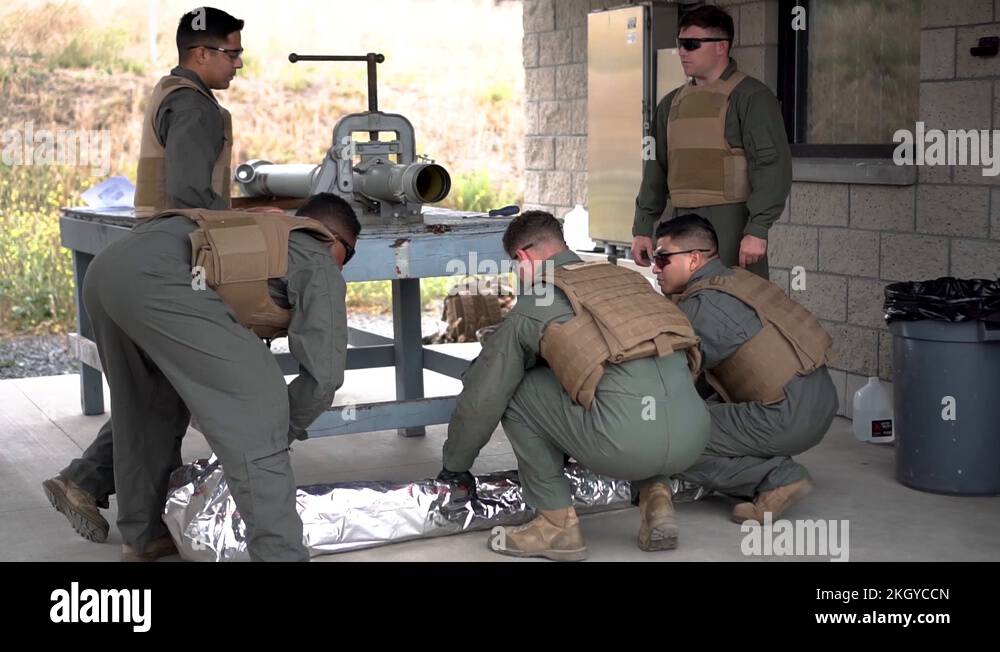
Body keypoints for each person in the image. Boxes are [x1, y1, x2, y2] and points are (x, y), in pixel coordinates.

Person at [438, 211, 711, 561]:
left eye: (515, 267)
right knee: (635, 382)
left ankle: (556, 526)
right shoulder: (625, 278)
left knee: (515, 389)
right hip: (693, 436)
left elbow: (484, 393)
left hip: (627, 444)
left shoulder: (539, 300)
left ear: (523, 258)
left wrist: (455, 464)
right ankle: (657, 497)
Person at [653, 214, 837, 524]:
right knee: (699, 410)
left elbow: (667, 382)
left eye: (662, 258)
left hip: (787, 416)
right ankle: (764, 458)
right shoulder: (737, 280)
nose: (655, 268)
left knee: (665, 438)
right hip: (818, 400)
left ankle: (777, 477)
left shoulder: (703, 307)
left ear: (694, 259)